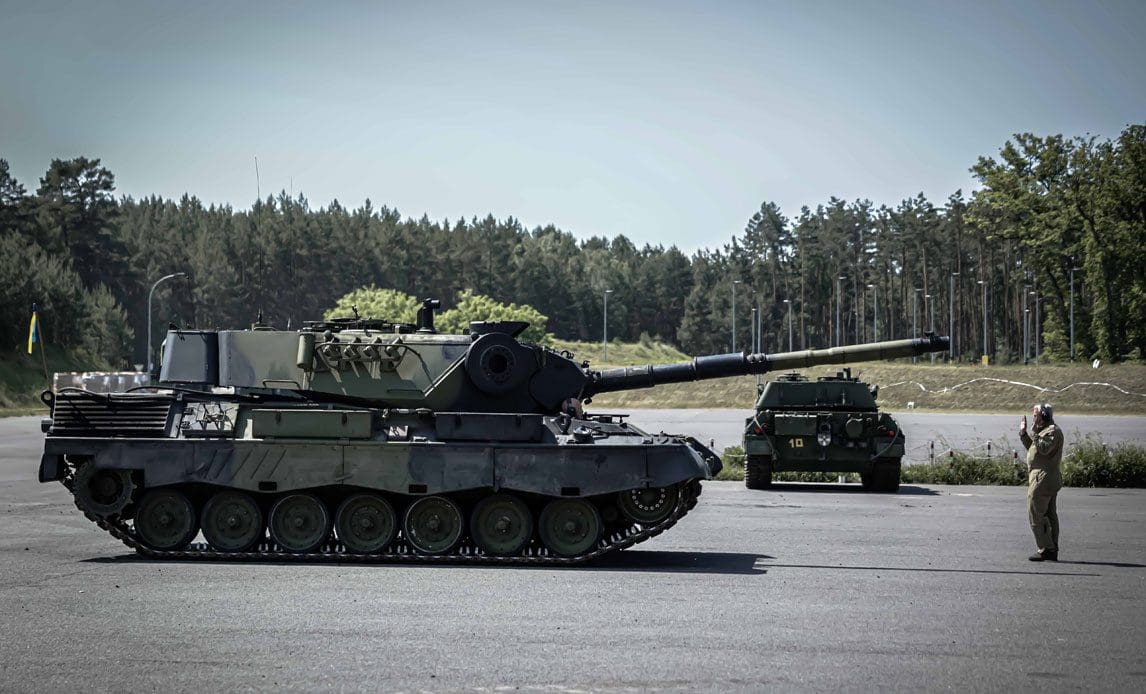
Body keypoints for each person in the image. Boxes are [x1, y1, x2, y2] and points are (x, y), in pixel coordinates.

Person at [1019, 403, 1064, 561]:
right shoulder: (1044, 430)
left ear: (1044, 416)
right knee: (1048, 514)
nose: (1034, 418)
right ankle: (1051, 547)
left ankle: (1046, 548)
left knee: (1035, 513)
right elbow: (1034, 449)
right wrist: (1024, 434)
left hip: (1044, 478)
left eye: (1036, 415)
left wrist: (1034, 433)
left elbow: (1044, 448)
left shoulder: (1053, 431)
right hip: (1042, 477)